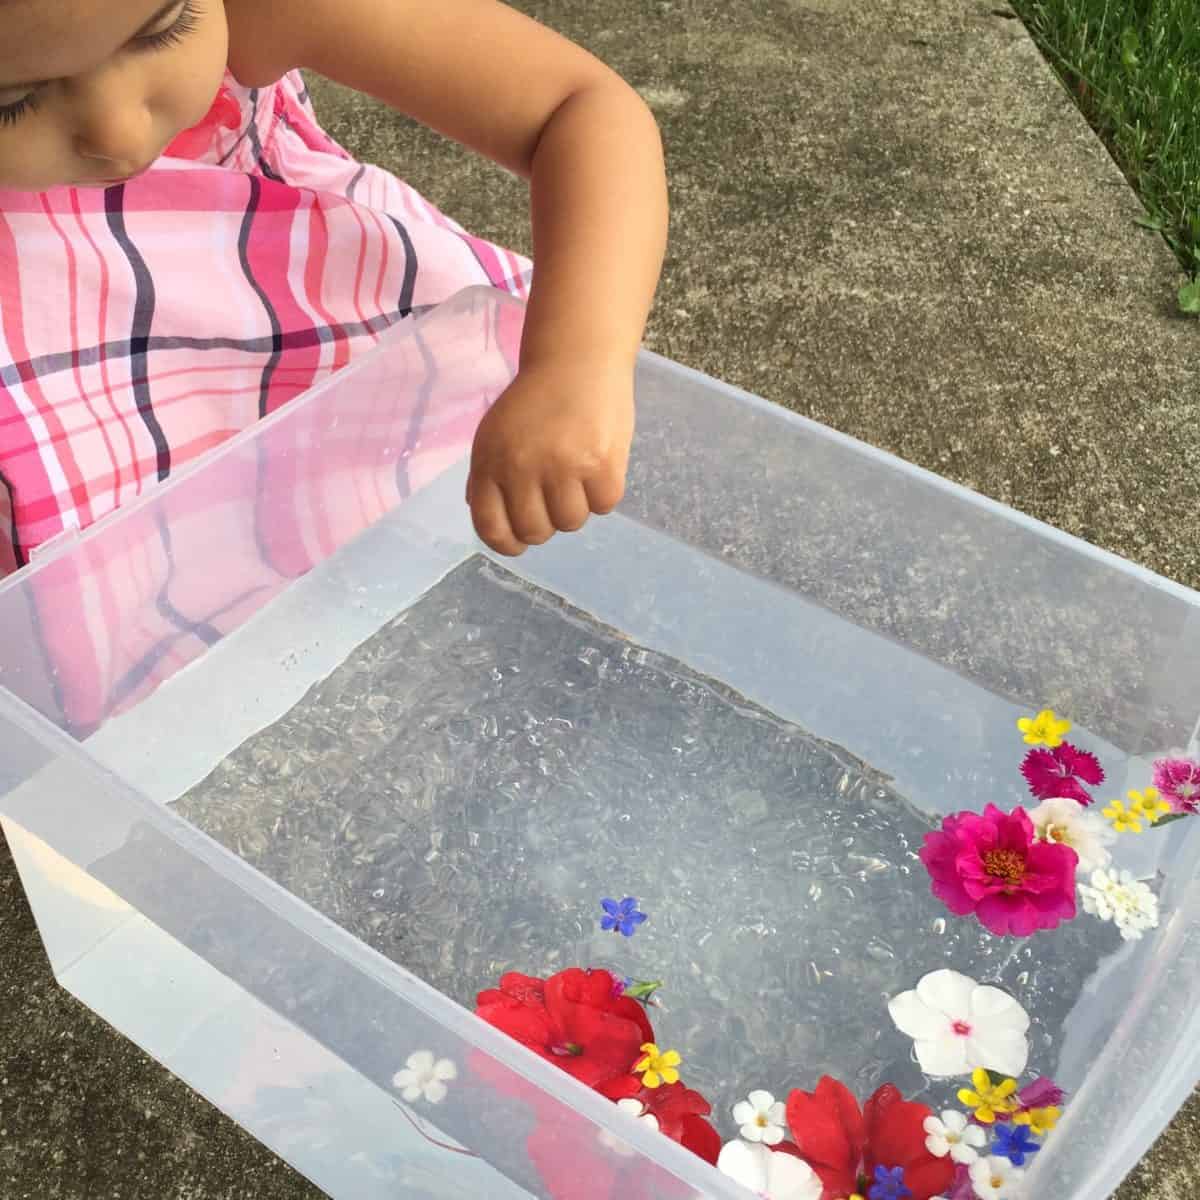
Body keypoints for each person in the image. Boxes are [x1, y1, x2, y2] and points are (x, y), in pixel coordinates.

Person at [0, 0, 668, 576]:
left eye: (164, 28)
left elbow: (578, 107)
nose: (120, 132)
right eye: (11, 100)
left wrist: (576, 363)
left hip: (329, 366)